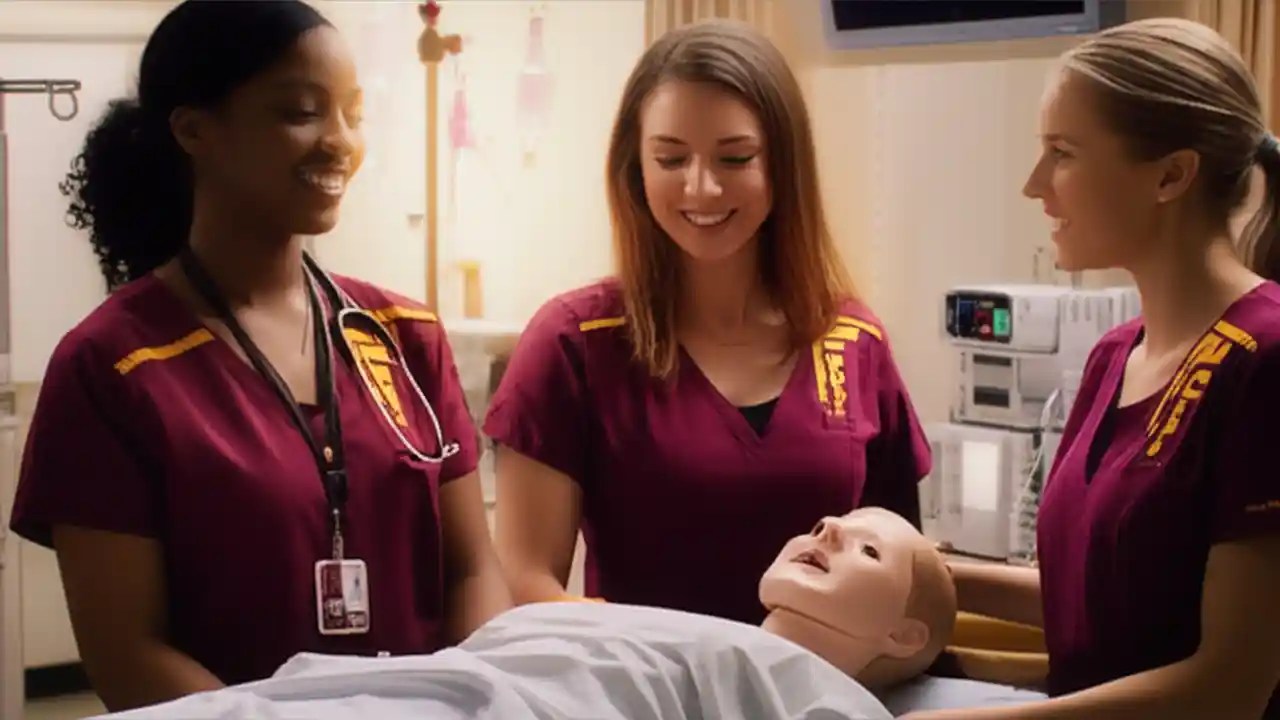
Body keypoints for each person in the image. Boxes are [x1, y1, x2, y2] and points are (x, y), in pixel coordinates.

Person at [8, 1, 509, 712]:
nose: (340, 142)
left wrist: (470, 701)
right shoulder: (112, 367)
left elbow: (471, 574)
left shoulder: (401, 335)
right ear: (194, 129)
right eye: (301, 112)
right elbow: (128, 655)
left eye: (352, 112)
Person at [484, 18, 931, 627]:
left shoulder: (852, 340)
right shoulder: (572, 343)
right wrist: (691, 663)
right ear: (634, 169)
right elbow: (525, 584)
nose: (702, 187)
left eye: (735, 157)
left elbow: (907, 576)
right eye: (670, 159)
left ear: (783, 166)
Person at [908, 17, 1280, 720]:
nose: (1034, 184)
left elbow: (1227, 688)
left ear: (1171, 175)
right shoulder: (1117, 355)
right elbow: (1097, 618)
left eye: (1062, 153)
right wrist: (912, 576)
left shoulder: (1265, 362)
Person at [88, 508, 958, 720]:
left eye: (869, 551)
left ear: (905, 638)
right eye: (825, 524)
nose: (830, 525)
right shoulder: (685, 633)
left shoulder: (829, 702)